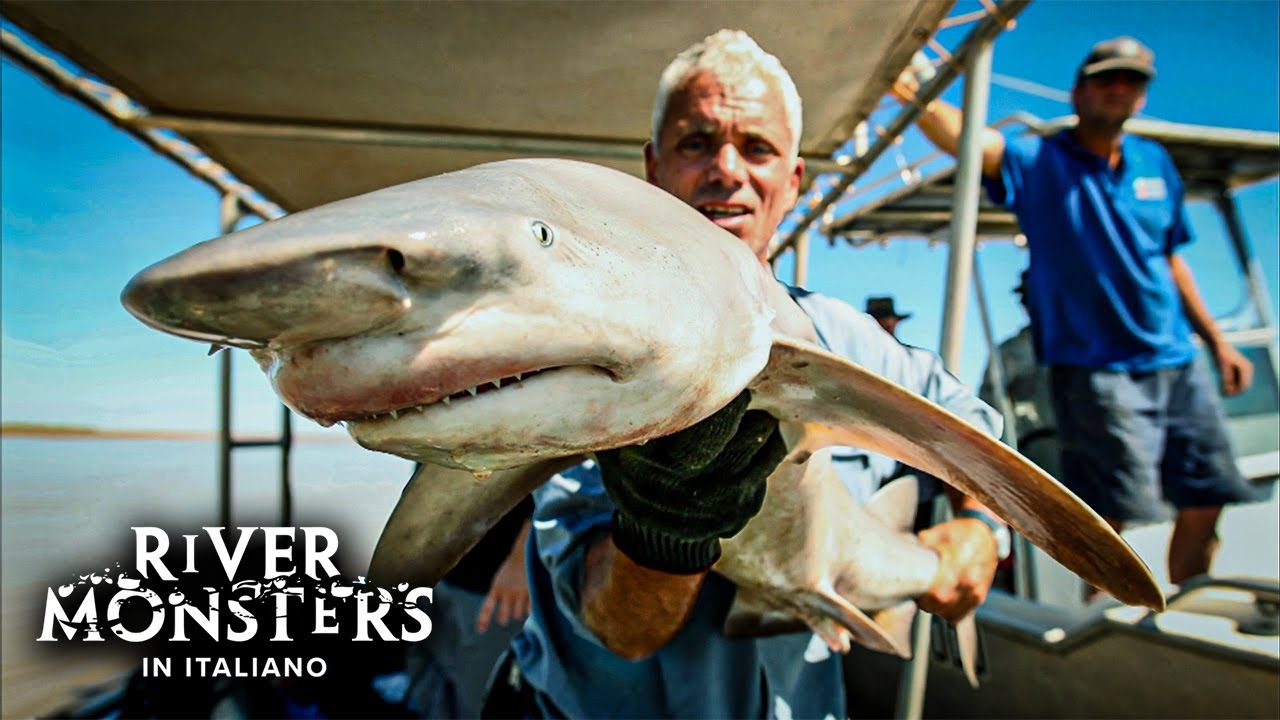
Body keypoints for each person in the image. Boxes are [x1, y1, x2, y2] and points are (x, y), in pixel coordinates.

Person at [498, 30, 1007, 718]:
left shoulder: (849, 340)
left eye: (758, 148)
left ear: (794, 181)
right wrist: (662, 537)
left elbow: (977, 428)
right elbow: (619, 627)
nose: (727, 170)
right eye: (696, 143)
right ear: (653, 169)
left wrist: (980, 528)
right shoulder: (583, 358)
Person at [895, 36, 1263, 587]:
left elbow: (1171, 261)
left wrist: (1217, 342)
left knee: (1207, 498)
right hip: (1095, 371)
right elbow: (974, 142)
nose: (1120, 88)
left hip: (1177, 361)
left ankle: (1188, 602)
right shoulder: (1041, 160)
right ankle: (1104, 625)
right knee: (1110, 518)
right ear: (1078, 91)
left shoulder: (1154, 162)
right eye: (1107, 77)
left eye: (1133, 81)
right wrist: (907, 84)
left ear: (1141, 97)